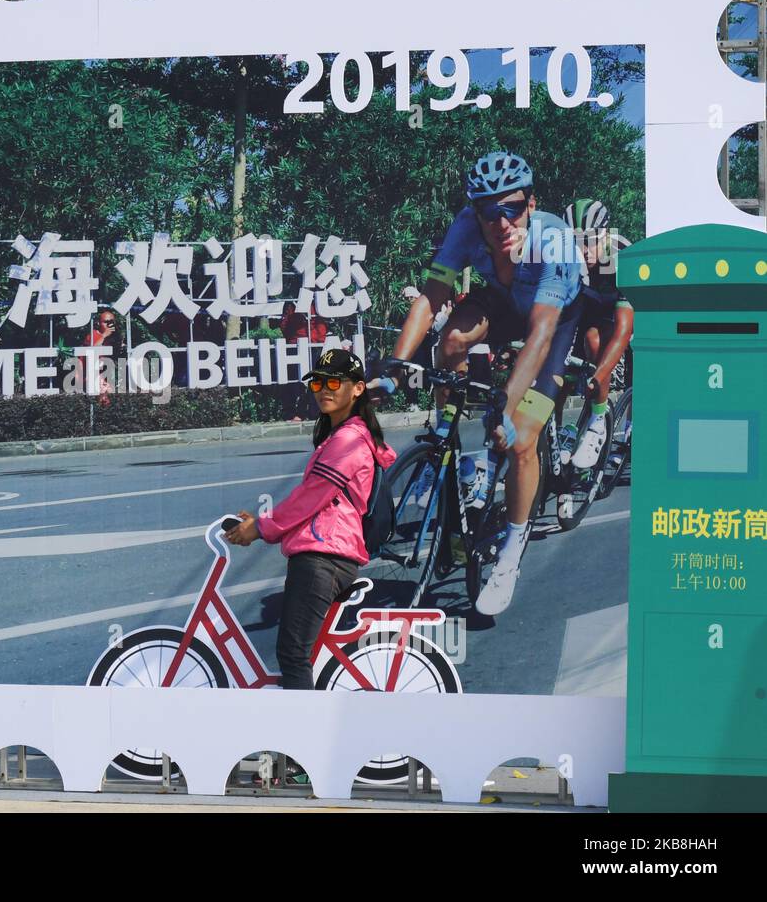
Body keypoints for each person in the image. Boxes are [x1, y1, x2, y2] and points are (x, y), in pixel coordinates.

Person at [372, 150, 584, 616]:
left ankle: (510, 552)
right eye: (489, 211)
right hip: (503, 301)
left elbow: (541, 333)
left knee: (521, 438)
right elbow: (431, 298)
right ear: (476, 212)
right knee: (451, 342)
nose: (501, 221)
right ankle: (444, 436)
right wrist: (393, 366)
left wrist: (509, 408)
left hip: (554, 320)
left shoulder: (556, 240)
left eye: (512, 207)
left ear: (531, 203)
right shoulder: (466, 227)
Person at [225, 348, 397, 691]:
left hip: (323, 559)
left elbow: (311, 497)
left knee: (293, 655)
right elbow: (316, 501)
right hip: (328, 556)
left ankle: (305, 741)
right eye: (318, 383)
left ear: (358, 389)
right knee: (305, 653)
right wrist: (258, 520)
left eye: (335, 381)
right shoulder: (343, 436)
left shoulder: (348, 440)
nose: (325, 389)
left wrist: (260, 528)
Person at [563, 199, 633, 468]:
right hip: (593, 304)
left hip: (625, 309)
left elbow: (623, 330)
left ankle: (601, 426)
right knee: (564, 367)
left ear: (605, 234)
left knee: (625, 362)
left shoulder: (621, 255)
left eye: (590, 240)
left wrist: (599, 375)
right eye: (576, 240)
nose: (583, 248)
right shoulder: (568, 256)